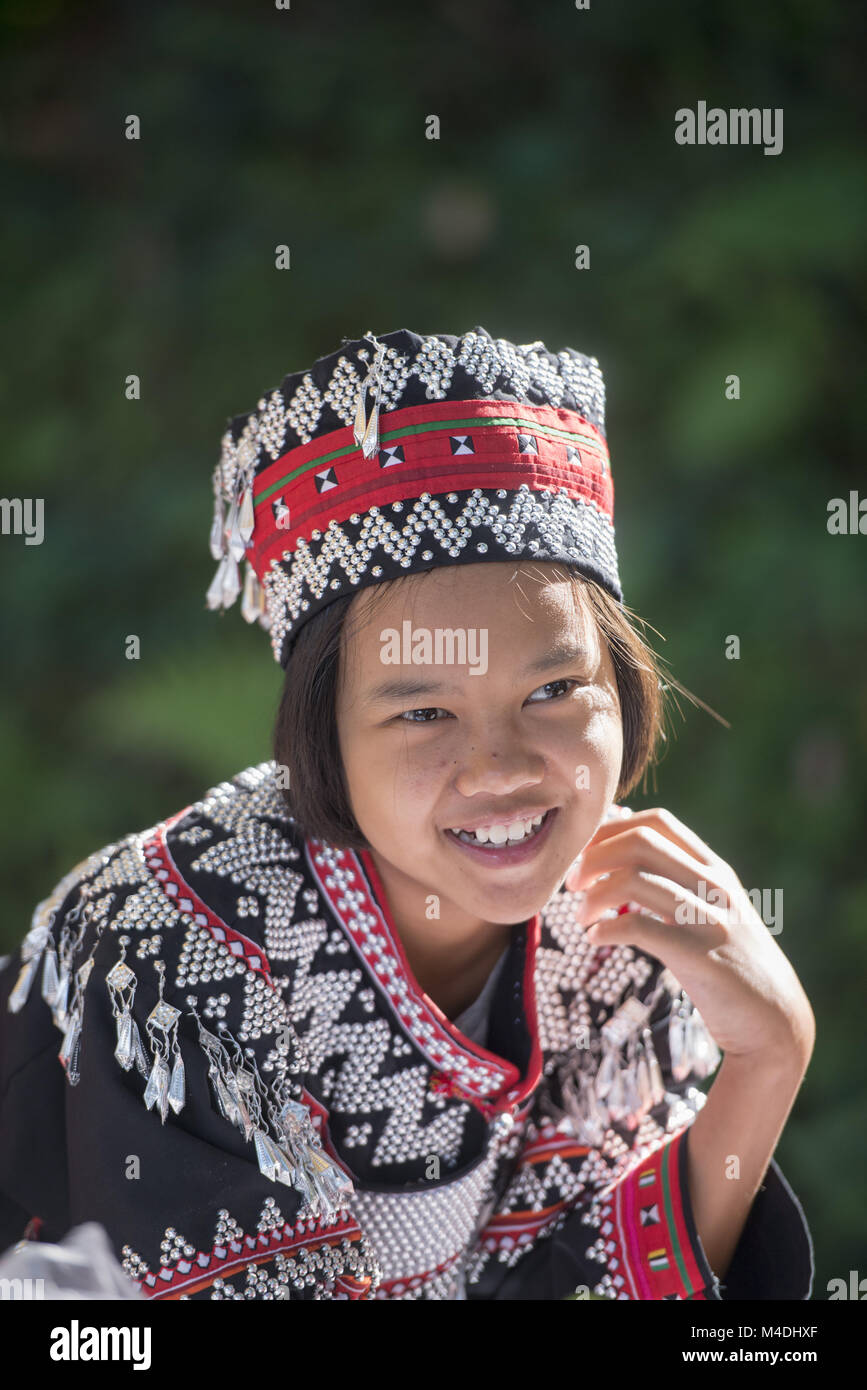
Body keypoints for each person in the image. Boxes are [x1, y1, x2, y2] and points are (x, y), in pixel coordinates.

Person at [0, 326, 814, 1300]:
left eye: (554, 690)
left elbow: (573, 1285)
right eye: (424, 713)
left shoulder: (616, 935)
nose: (500, 768)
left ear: (626, 690)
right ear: (321, 737)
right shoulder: (174, 947)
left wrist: (771, 1052)